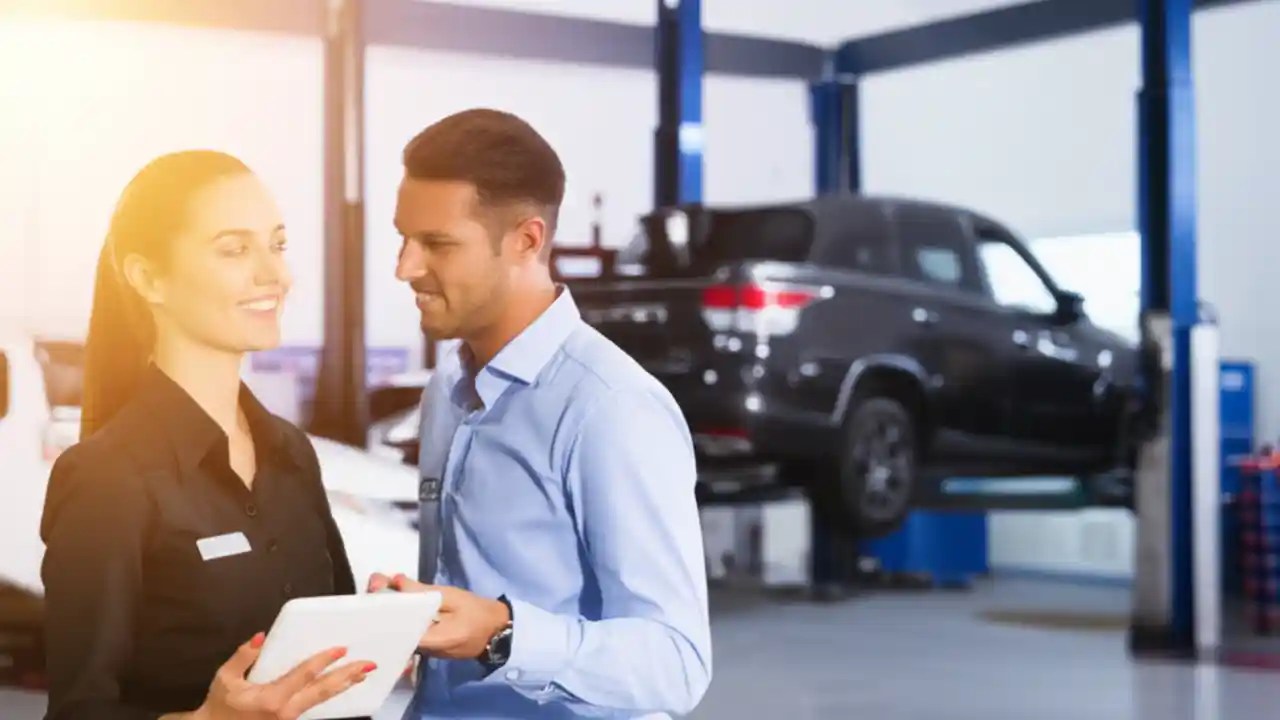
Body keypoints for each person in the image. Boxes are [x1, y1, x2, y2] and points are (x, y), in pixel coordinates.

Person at [369, 108, 713, 719]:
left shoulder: (610, 408)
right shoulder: (448, 383)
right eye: (403, 237)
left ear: (526, 240)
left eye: (437, 244)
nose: (405, 267)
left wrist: (503, 635)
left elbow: (676, 663)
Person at [40, 150, 376, 720]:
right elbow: (79, 711)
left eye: (277, 244)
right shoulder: (106, 478)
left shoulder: (291, 453)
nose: (276, 275)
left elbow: (331, 669)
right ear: (149, 278)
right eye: (234, 249)